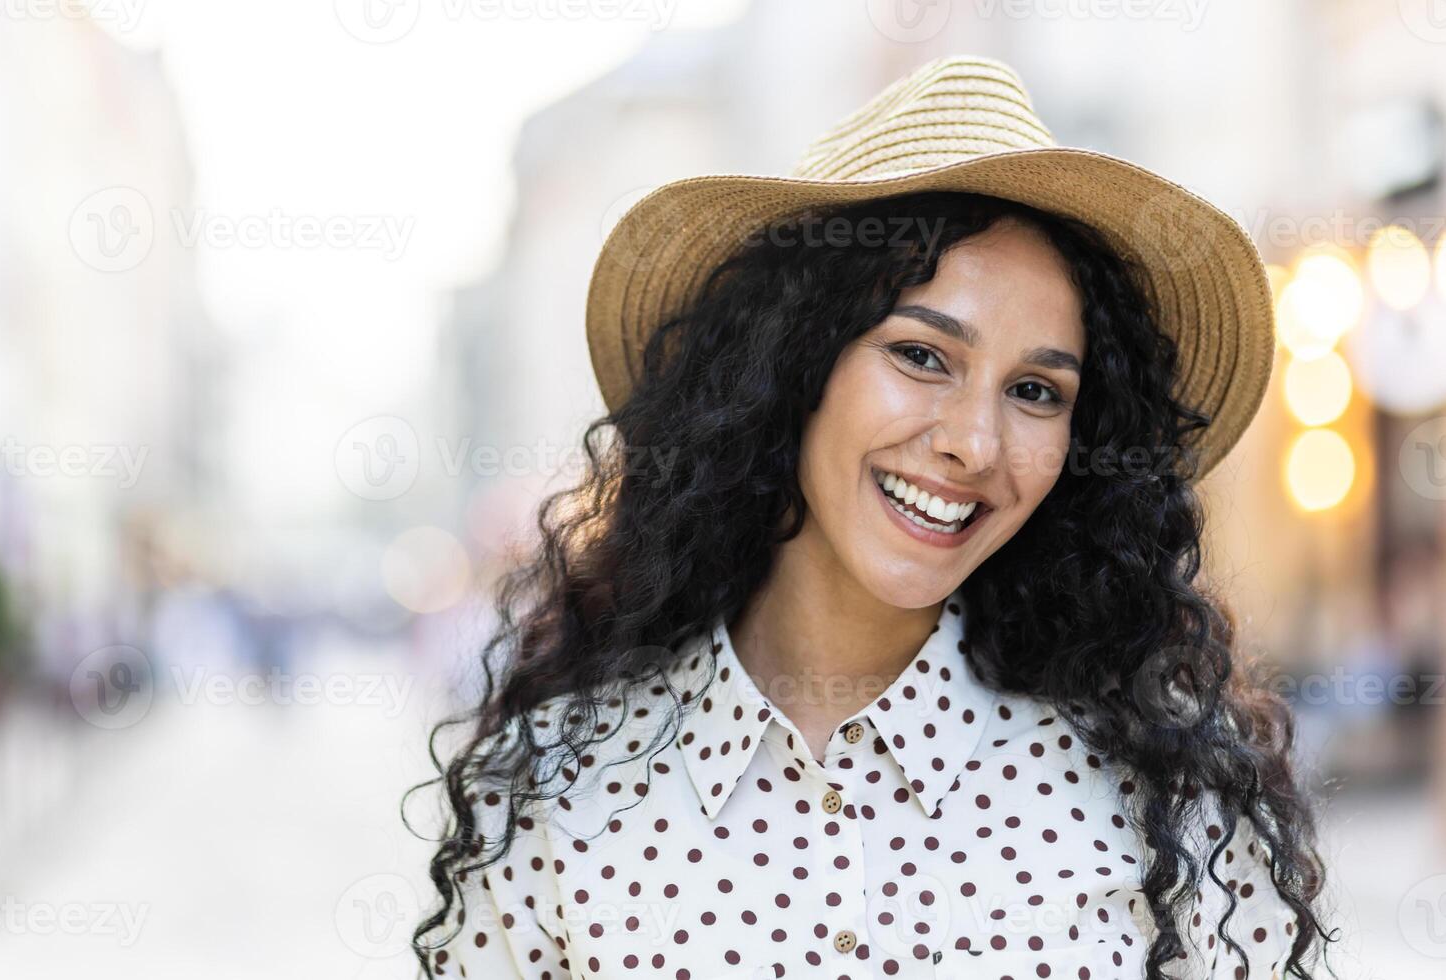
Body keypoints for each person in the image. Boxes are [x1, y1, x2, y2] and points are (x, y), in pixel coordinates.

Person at [411, 56, 1340, 979]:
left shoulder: (1170, 796)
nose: (975, 445)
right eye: (922, 357)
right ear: (790, 367)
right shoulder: (558, 790)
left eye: (1034, 390)